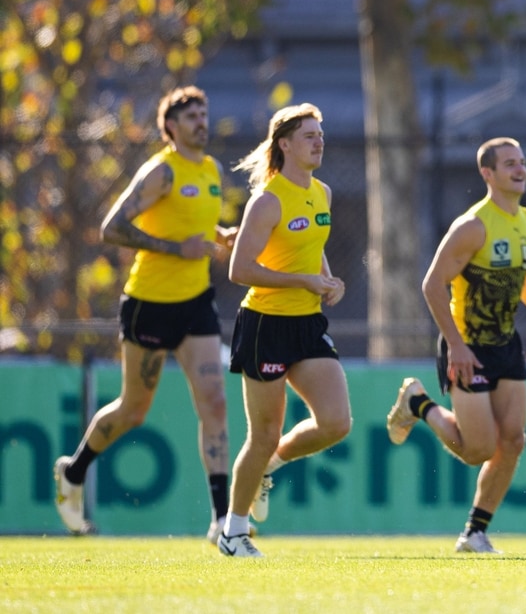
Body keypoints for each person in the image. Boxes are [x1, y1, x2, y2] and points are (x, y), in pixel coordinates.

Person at [54, 86, 239, 544]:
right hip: (149, 306)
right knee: (134, 409)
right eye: (191, 115)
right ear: (171, 127)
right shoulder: (161, 172)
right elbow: (111, 228)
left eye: (204, 112)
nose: (201, 121)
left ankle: (222, 522)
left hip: (196, 302)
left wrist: (220, 234)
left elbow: (192, 222)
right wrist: (177, 249)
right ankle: (73, 473)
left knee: (215, 404)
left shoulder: (213, 171)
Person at [386, 137, 526, 555]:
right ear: (487, 174)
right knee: (477, 450)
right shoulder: (472, 226)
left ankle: (474, 532)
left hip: (506, 344)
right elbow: (432, 285)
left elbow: (524, 277)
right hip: (466, 345)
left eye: (522, 162)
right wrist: (455, 345)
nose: (520, 169)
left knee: (515, 440)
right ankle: (418, 403)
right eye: (509, 164)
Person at [218, 103, 352, 558]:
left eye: (320, 133)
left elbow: (311, 247)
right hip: (265, 325)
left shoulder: (323, 193)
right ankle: (232, 533)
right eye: (308, 135)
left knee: (336, 423)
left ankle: (271, 466)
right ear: (285, 145)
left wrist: (328, 279)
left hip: (307, 323)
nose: (318, 141)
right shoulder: (268, 200)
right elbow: (240, 269)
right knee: (263, 433)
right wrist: (303, 281)